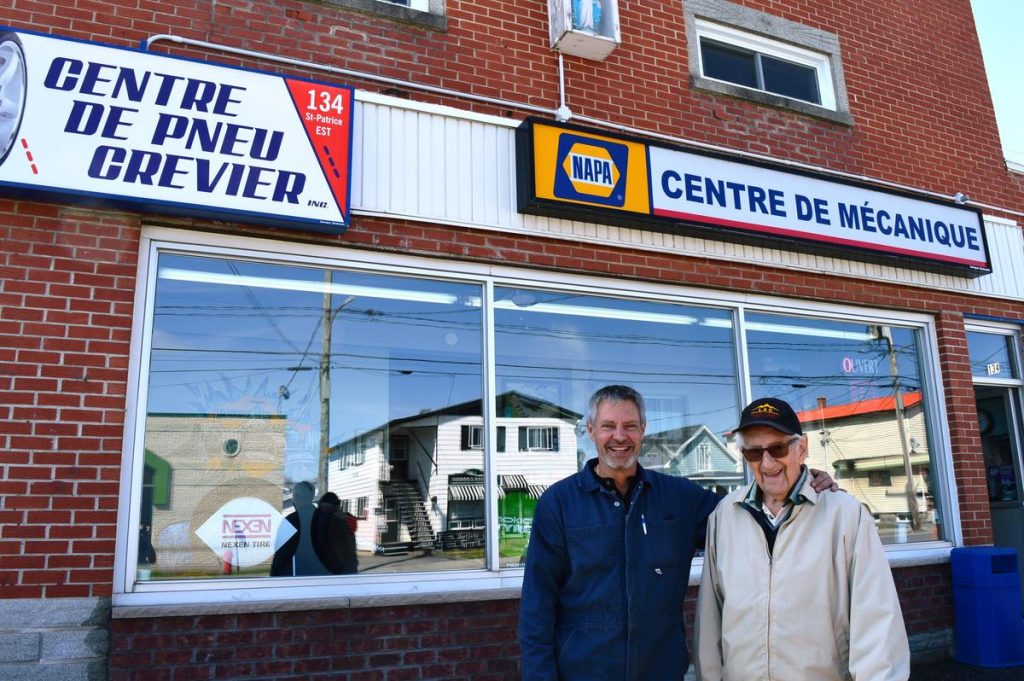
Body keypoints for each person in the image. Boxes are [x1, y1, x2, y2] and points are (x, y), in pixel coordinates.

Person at [518, 385, 836, 681]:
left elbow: (750, 513)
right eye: (608, 426)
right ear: (591, 431)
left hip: (661, 671)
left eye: (629, 425)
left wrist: (800, 478)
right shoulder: (559, 504)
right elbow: (537, 608)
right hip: (583, 672)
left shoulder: (679, 498)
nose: (619, 436)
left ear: (643, 429)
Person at [694, 397, 910, 681]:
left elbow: (877, 625)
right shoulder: (725, 515)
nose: (767, 462)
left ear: (802, 449)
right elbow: (710, 617)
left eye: (778, 448)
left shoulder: (845, 515)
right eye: (754, 453)